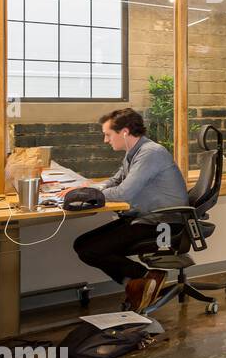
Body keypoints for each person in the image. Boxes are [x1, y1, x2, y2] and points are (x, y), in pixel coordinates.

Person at [66, 108, 190, 311]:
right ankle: (138, 283)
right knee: (83, 245)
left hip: (163, 224)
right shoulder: (134, 153)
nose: (106, 140)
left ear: (124, 132)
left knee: (91, 249)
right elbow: (115, 181)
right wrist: (88, 189)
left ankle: (147, 277)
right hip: (145, 219)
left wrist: (87, 195)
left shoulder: (151, 153)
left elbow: (124, 192)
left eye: (108, 135)